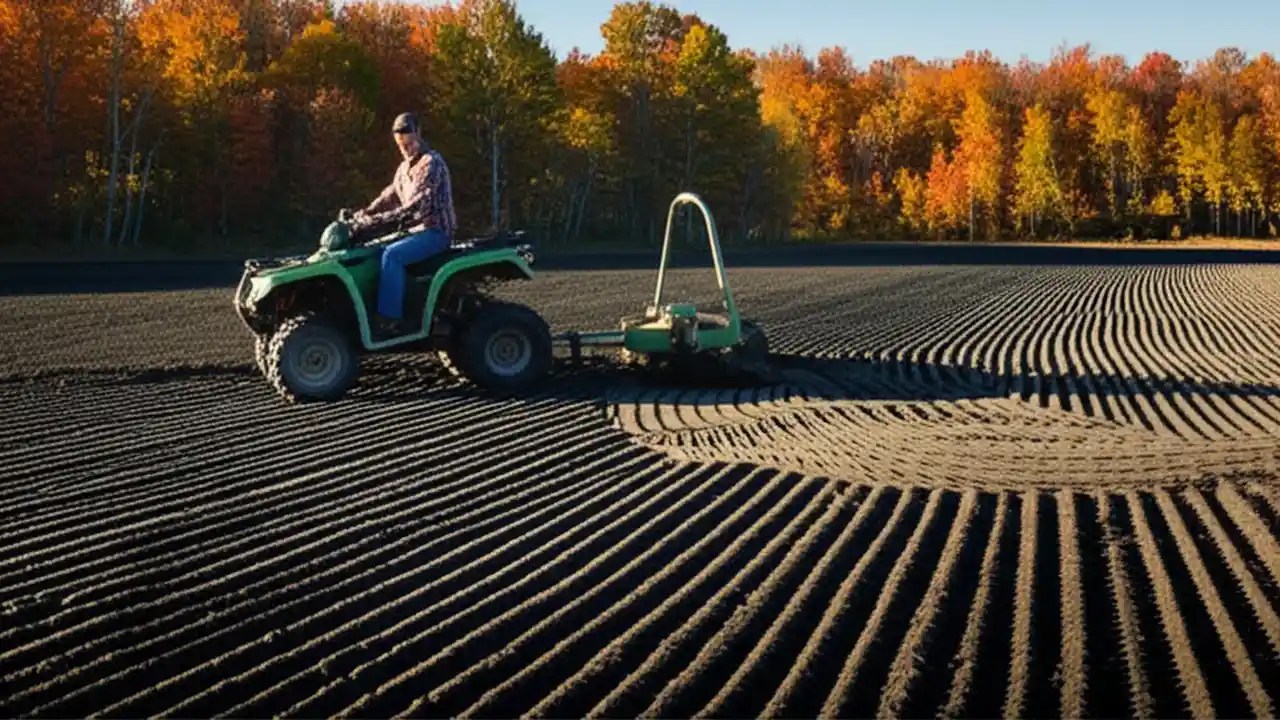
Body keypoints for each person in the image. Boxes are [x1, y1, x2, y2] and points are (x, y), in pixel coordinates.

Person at [347, 112, 457, 338]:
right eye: (401, 145)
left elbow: (414, 207)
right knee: (373, 252)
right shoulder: (404, 168)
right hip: (415, 231)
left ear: (419, 133)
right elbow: (388, 196)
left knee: (392, 256)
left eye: (409, 143)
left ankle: (390, 320)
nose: (406, 149)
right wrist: (364, 213)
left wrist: (373, 222)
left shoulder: (430, 164)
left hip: (435, 231)